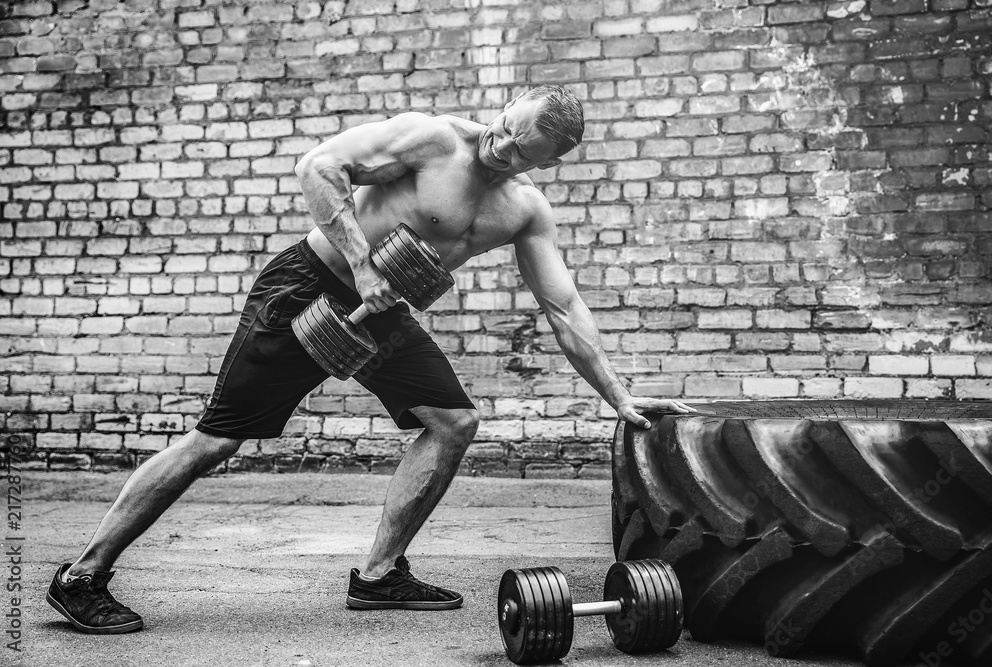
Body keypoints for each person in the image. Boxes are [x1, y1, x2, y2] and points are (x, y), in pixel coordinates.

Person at [46, 84, 696, 633]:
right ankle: (84, 575)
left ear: (546, 160)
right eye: (503, 126)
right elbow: (318, 168)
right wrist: (361, 262)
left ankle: (380, 574)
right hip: (308, 283)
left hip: (380, 311)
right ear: (506, 109)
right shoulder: (433, 139)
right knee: (216, 442)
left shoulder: (523, 208)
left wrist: (618, 396)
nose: (497, 144)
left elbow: (564, 306)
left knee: (452, 422)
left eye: (519, 148)